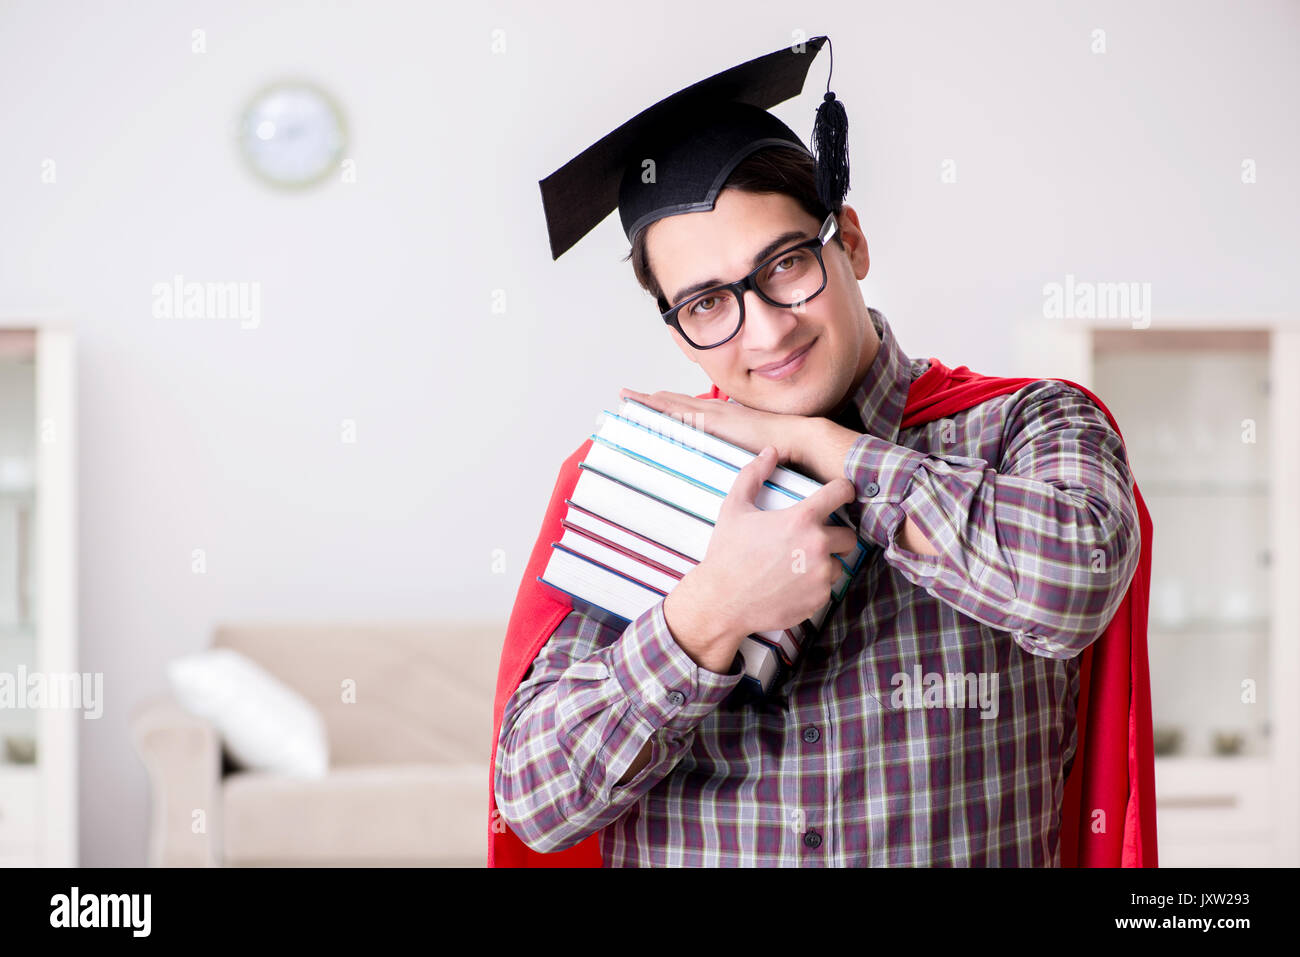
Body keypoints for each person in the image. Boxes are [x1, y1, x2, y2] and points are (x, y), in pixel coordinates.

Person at [490, 35, 1155, 866]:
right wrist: (710, 612)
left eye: (788, 264)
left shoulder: (1027, 426)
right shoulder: (636, 478)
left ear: (851, 242)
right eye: (705, 304)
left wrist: (822, 447)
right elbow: (537, 803)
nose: (766, 328)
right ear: (676, 327)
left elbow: (1071, 585)